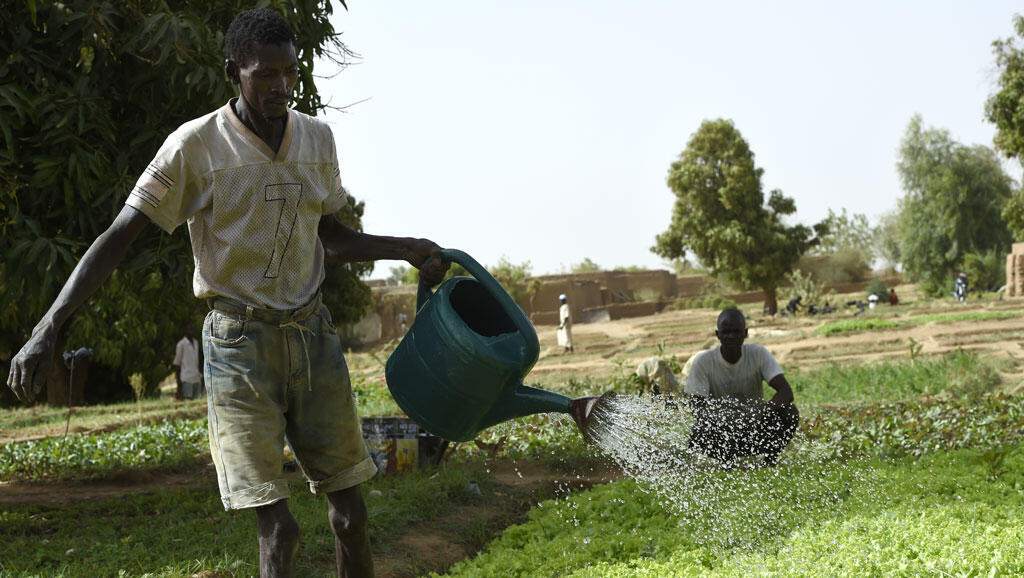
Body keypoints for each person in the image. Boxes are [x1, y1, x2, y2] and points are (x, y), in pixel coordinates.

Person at [5, 9, 448, 577]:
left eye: (290, 73)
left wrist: (408, 246)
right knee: (280, 531)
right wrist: (47, 328)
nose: (281, 87)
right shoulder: (196, 147)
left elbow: (329, 238)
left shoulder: (316, 137)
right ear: (233, 72)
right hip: (240, 345)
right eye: (265, 74)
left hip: (312, 336)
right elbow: (119, 235)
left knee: (350, 516)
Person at [683, 308, 800, 467]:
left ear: (745, 333)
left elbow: (786, 392)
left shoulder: (758, 353)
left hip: (754, 429)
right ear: (718, 335)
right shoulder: (703, 361)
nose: (731, 336)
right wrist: (726, 419)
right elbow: (697, 409)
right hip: (723, 432)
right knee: (698, 432)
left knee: (789, 412)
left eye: (736, 331)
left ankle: (769, 461)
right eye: (726, 331)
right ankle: (726, 462)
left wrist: (760, 411)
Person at [173, 322, 203, 400]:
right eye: (189, 330)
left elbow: (198, 360)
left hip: (196, 377)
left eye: (193, 330)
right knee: (188, 401)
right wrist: (178, 379)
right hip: (186, 378)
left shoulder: (196, 343)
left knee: (198, 401)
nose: (191, 332)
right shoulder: (181, 344)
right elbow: (177, 363)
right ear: (186, 331)